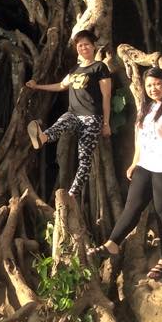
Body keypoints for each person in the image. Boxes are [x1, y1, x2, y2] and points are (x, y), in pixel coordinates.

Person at [87, 66, 162, 280]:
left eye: (158, 84)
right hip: (146, 164)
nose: (154, 88)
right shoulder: (148, 107)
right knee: (132, 206)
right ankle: (112, 244)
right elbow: (140, 137)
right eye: (150, 85)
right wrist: (135, 162)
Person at [25, 29, 112, 198]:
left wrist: (106, 123)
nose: (83, 48)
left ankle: (72, 194)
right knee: (62, 122)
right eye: (80, 45)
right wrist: (37, 86)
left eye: (86, 44)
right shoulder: (75, 69)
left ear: (93, 46)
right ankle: (42, 137)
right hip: (74, 113)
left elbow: (106, 96)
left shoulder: (99, 67)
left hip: (92, 118)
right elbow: (61, 86)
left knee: (84, 159)